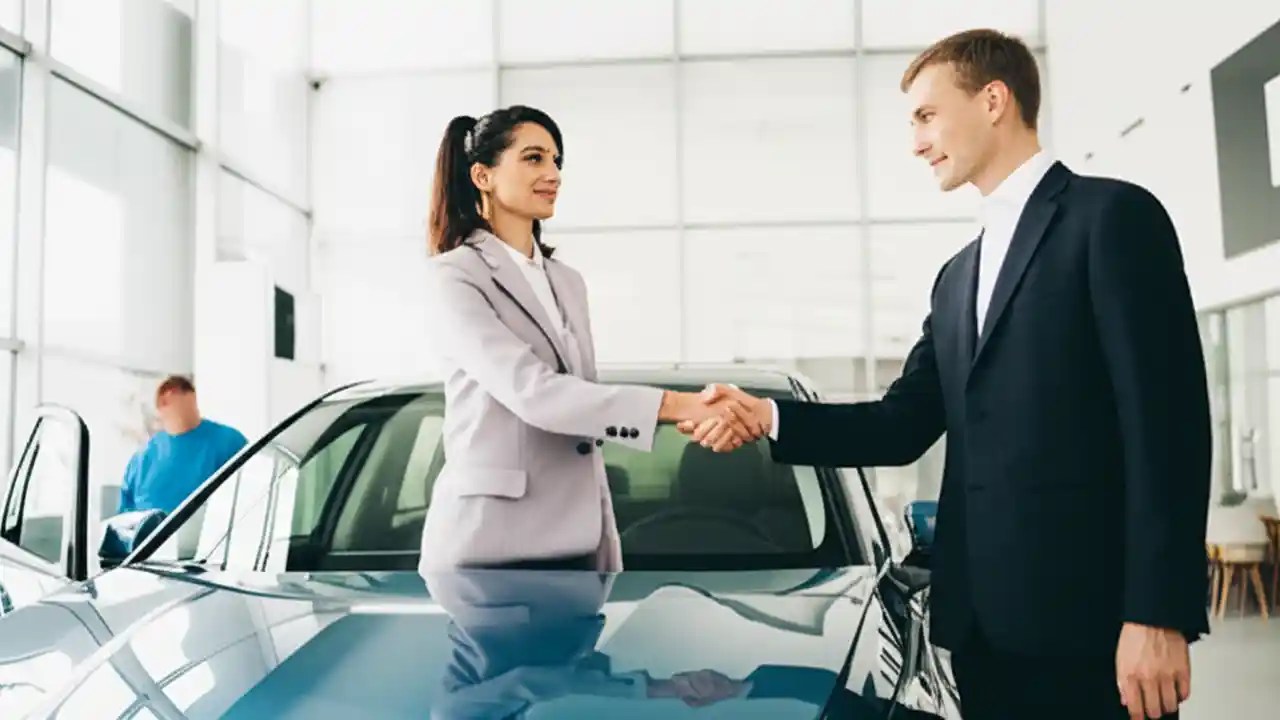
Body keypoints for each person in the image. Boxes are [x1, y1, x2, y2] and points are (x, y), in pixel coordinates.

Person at [683, 29, 1210, 720]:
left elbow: (1167, 428)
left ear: (993, 101)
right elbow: (901, 425)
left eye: (926, 115)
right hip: (981, 634)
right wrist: (769, 417)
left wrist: (1157, 613)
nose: (916, 141)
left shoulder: (1111, 219)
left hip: (1096, 628)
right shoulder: (957, 274)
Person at [418, 106, 759, 573]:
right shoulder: (454, 277)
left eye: (557, 161)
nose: (553, 174)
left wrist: (606, 549)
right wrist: (683, 406)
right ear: (483, 175)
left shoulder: (567, 280)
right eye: (534, 159)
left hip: (577, 543)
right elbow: (535, 394)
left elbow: (585, 416)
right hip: (489, 548)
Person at [118, 375, 248, 515]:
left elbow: (253, 497)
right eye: (168, 399)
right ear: (161, 405)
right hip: (152, 535)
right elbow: (124, 521)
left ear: (192, 398)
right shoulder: (141, 460)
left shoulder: (230, 443)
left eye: (181, 394)